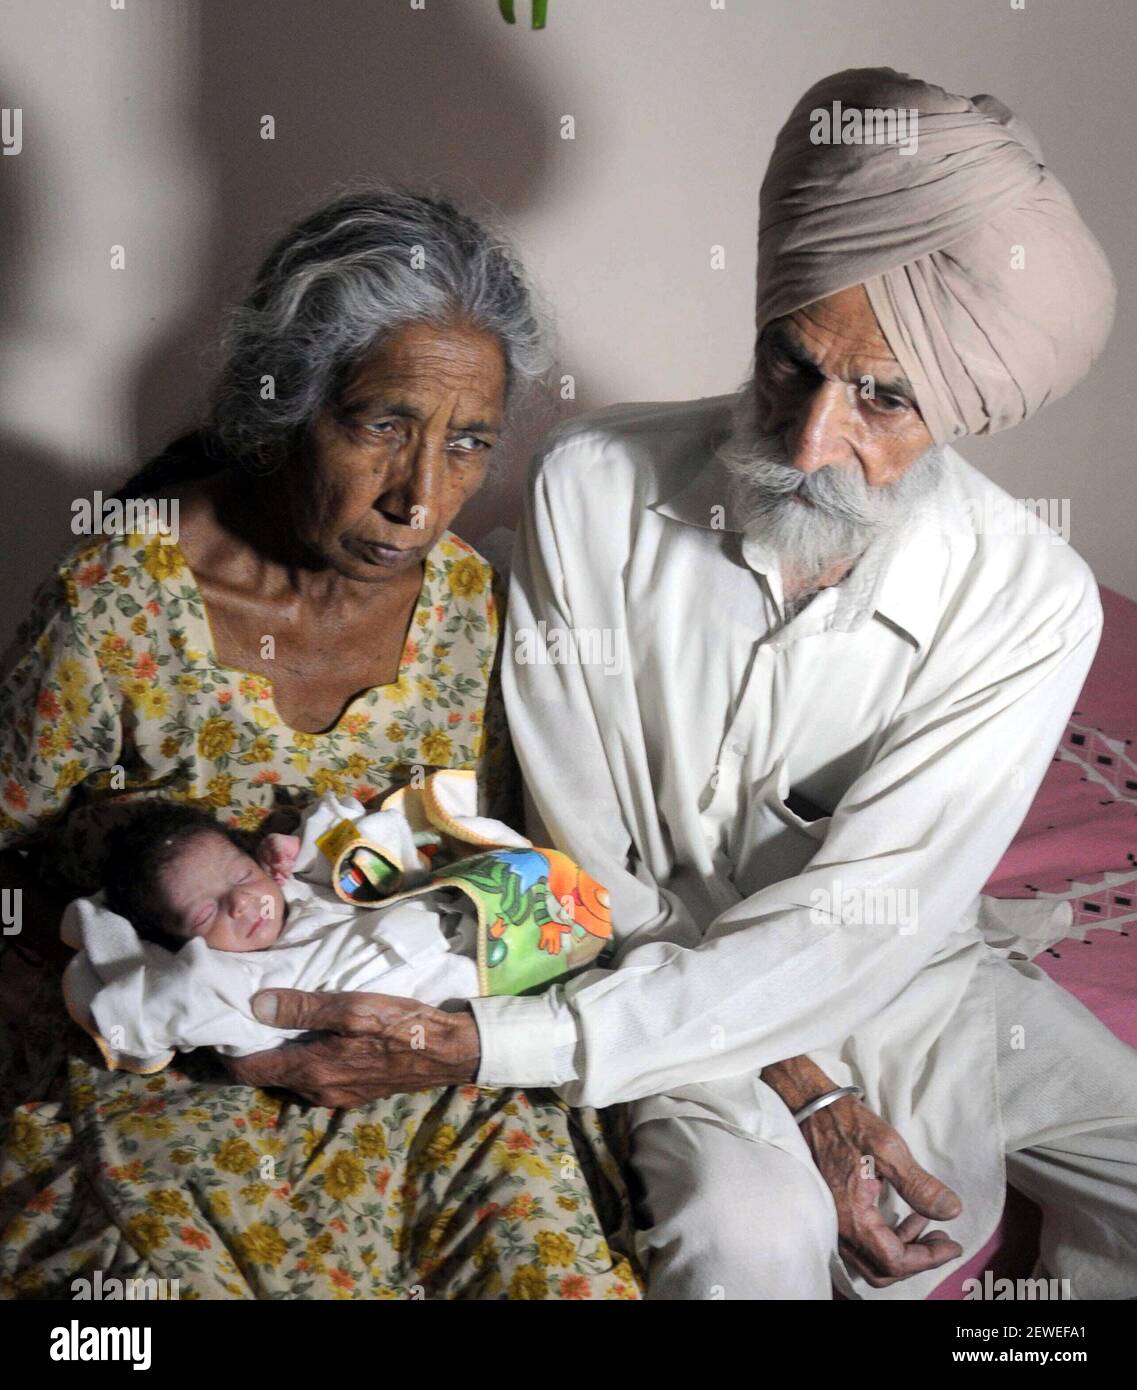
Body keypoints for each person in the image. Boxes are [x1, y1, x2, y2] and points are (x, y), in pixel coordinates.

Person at [463, 68, 1135, 1299]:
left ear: (966, 408)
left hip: (907, 968)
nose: (814, 437)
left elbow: (874, 913)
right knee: (745, 1236)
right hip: (648, 960)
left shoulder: (1031, 601)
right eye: (793, 361)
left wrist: (831, 1055)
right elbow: (587, 862)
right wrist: (802, 1085)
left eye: (885, 398)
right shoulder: (588, 483)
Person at [0, 189, 639, 1301]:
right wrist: (206, 1027)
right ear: (287, 403)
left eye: (468, 444)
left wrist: (448, 1029)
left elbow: (533, 876)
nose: (419, 499)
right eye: (383, 425)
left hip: (428, 1072)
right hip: (171, 1089)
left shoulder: (469, 612)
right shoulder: (117, 600)